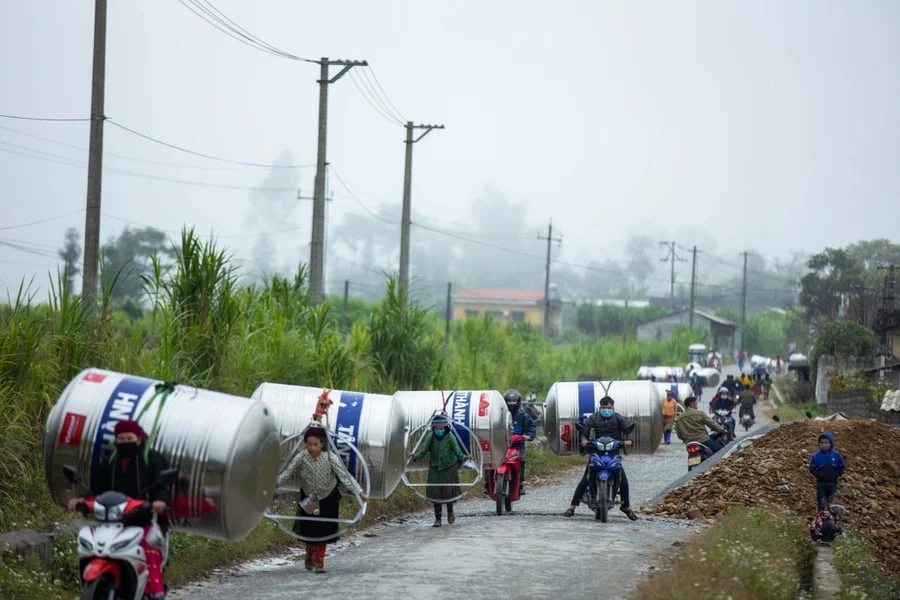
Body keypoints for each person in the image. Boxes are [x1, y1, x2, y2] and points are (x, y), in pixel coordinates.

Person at [67, 420, 171, 600]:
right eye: (121, 439)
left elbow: (161, 485)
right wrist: (81, 500)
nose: (125, 442)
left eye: (129, 438)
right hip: (113, 521)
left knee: (149, 550)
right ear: (115, 440)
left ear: (139, 439)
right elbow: (97, 489)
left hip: (145, 520)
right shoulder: (110, 461)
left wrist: (159, 501)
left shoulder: (151, 458)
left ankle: (154, 594)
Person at [278, 425, 368, 573]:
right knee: (309, 529)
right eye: (309, 444)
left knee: (323, 531)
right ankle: (310, 552)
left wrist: (359, 492)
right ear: (305, 444)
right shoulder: (302, 456)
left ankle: (319, 562)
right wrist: (273, 485)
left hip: (328, 498)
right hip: (309, 498)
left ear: (322, 444)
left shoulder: (330, 458)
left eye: (315, 444)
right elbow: (287, 472)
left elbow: (345, 477)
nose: (312, 448)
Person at [562, 396, 638, 521]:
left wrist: (629, 440)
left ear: (613, 407)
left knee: (623, 480)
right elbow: (584, 432)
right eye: (604, 407)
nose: (606, 410)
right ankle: (572, 507)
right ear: (600, 407)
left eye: (609, 408)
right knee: (586, 478)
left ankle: (626, 507)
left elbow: (628, 430)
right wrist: (584, 440)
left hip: (613, 452)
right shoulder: (593, 418)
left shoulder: (618, 418)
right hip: (596, 451)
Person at [411, 413, 469, 528]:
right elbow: (423, 451)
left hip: (449, 467)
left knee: (449, 492)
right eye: (437, 428)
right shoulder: (430, 437)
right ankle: (438, 519)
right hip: (435, 468)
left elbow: (457, 451)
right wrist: (415, 457)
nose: (439, 430)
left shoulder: (450, 437)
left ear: (445, 428)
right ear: (433, 428)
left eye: (441, 428)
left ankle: (450, 511)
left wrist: (465, 457)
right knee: (435, 493)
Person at [503, 389, 536, 495]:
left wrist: (529, 436)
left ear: (518, 401)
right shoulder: (500, 414)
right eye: (509, 401)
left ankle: (520, 483)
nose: (512, 403)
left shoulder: (523, 415)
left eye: (514, 401)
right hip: (501, 444)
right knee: (490, 460)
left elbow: (531, 426)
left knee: (521, 460)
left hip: (517, 445)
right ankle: (487, 484)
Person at [808, 432, 845, 511]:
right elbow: (812, 468)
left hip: (833, 483)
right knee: (822, 502)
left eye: (826, 442)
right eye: (822, 442)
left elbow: (841, 466)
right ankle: (821, 516)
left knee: (833, 503)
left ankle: (832, 517)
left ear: (830, 443)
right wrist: (819, 475)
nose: (824, 444)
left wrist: (836, 474)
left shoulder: (836, 455)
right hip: (821, 484)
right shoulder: (816, 456)